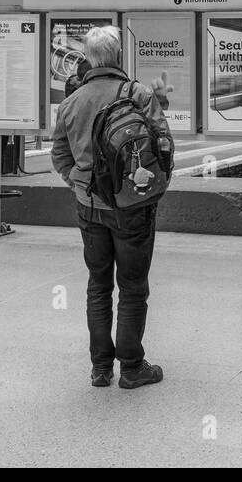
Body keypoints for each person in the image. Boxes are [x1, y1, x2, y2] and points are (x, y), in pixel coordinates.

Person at [51, 26, 172, 390]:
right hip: (133, 205)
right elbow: (163, 145)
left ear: (88, 59)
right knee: (133, 285)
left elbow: (59, 155)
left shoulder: (71, 102)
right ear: (118, 56)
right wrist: (151, 188)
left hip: (90, 207)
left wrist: (80, 181)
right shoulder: (138, 94)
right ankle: (132, 368)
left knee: (98, 284)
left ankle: (101, 367)